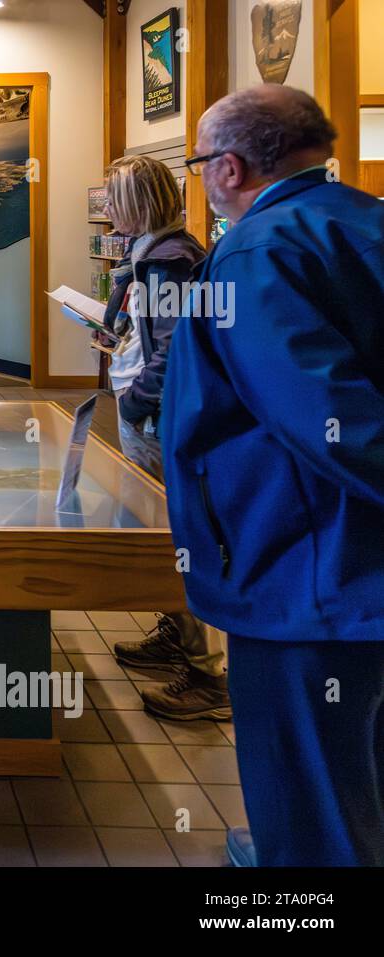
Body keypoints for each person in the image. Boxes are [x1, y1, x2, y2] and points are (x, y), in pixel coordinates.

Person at [161, 84, 384, 867]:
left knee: (309, 806)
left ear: (227, 166)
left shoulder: (259, 252)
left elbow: (328, 417)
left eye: (198, 164)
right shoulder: (362, 222)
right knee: (360, 779)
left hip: (305, 578)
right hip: (352, 574)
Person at [93, 155, 230, 722]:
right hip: (147, 417)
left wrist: (134, 401)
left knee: (178, 538)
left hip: (156, 419)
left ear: (136, 203)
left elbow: (174, 350)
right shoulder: (149, 255)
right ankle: (178, 638)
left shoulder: (169, 262)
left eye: (112, 199)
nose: (105, 208)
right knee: (160, 534)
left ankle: (208, 676)